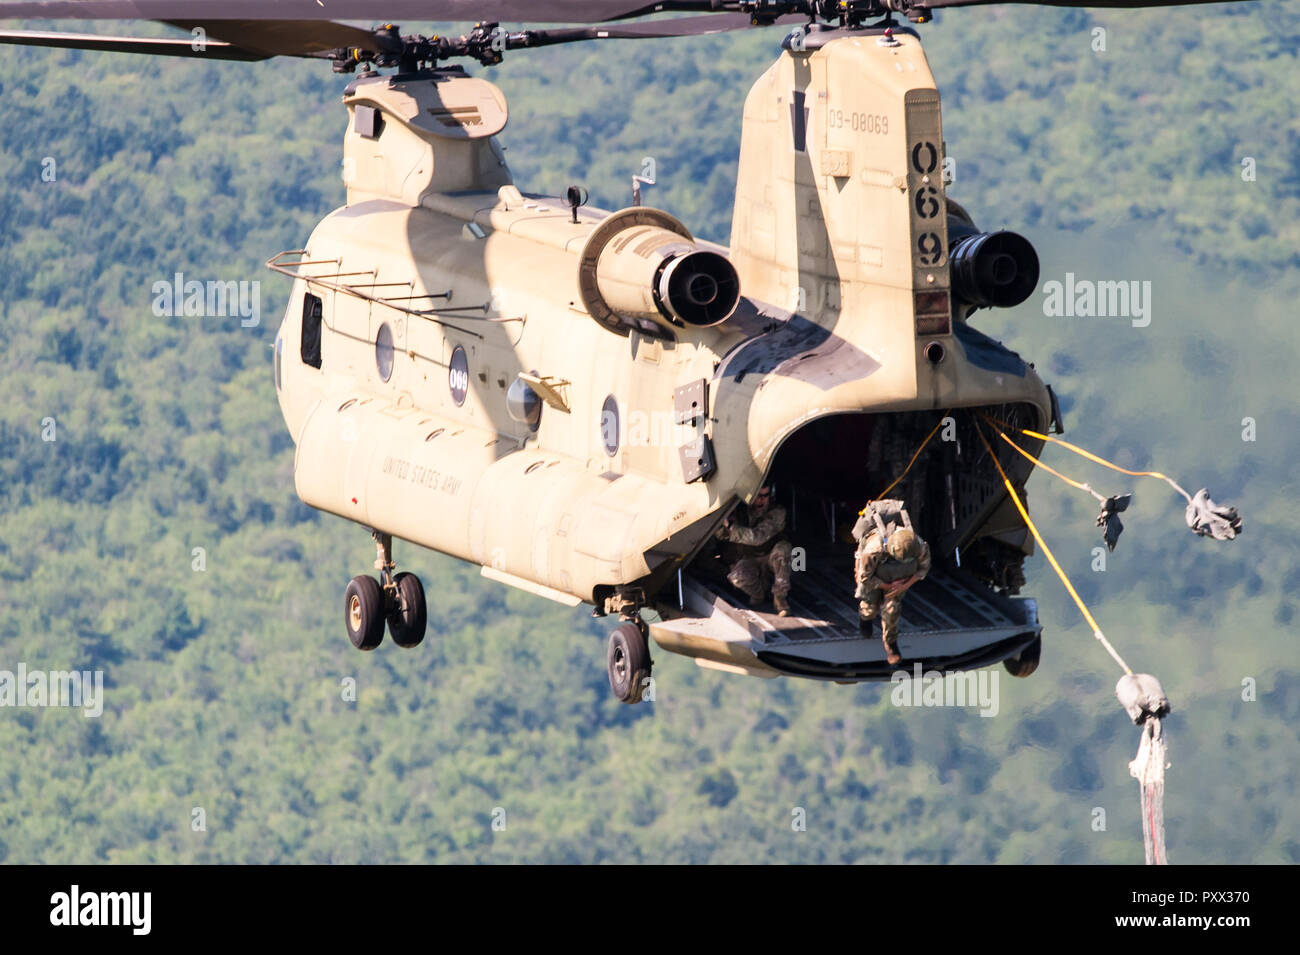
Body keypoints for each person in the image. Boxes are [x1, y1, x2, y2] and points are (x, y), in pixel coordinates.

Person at [854, 524, 930, 665]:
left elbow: (923, 569)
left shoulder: (919, 546)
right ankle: (865, 620)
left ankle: (891, 643)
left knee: (892, 609)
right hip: (874, 578)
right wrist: (887, 586)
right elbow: (865, 577)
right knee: (869, 609)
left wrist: (903, 586)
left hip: (899, 581)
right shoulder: (873, 549)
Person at [716, 485, 793, 616]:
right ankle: (760, 593)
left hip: (772, 557)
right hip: (750, 557)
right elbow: (720, 535)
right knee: (736, 578)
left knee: (784, 549)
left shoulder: (777, 512)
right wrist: (722, 525)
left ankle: (780, 599)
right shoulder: (740, 511)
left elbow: (757, 537)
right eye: (758, 496)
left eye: (765, 496)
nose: (762, 500)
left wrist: (731, 527)